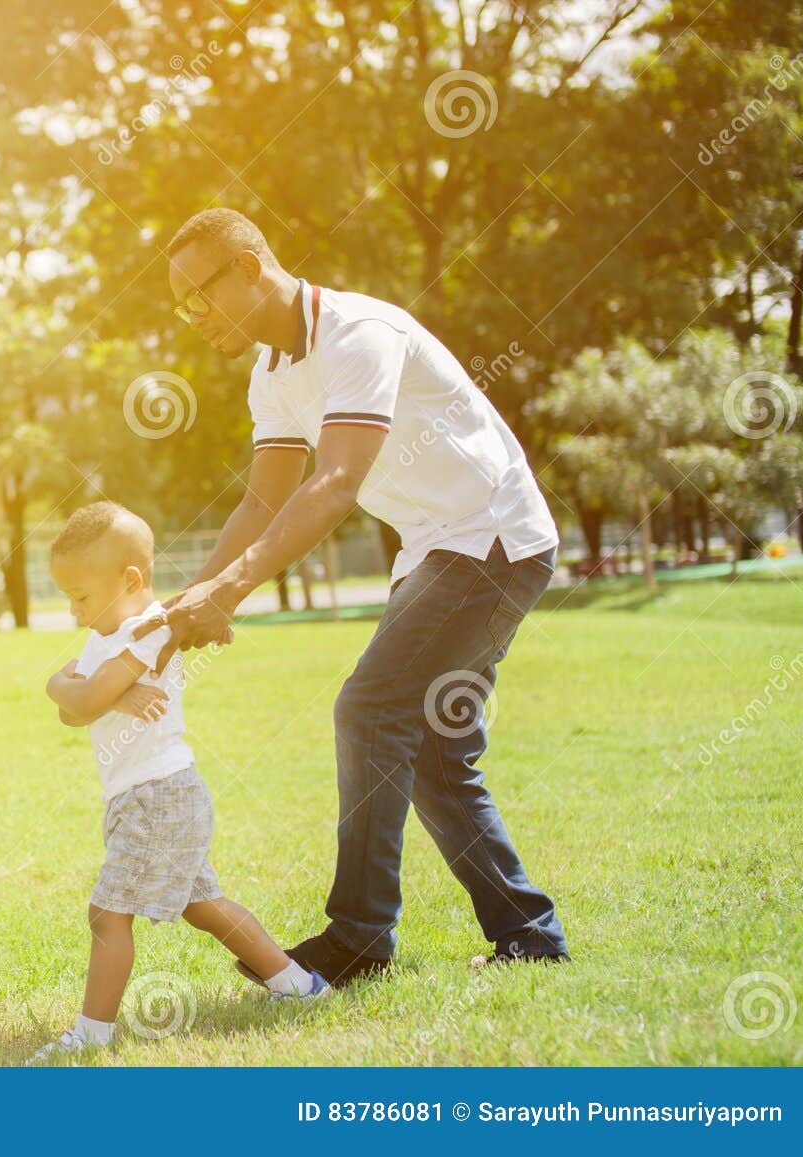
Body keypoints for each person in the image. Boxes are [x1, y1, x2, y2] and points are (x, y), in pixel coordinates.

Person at [142, 208, 568, 987]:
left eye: (199, 296)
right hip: (436, 543)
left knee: (371, 709)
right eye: (182, 306)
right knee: (436, 751)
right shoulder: (270, 370)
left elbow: (335, 483)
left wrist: (231, 591)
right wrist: (196, 595)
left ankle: (361, 936)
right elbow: (263, 501)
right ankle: (529, 936)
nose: (193, 319)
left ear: (247, 266)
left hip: (492, 537)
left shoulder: (358, 335)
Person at [31, 501, 327, 1063]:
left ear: (131, 580)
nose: (72, 610)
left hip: (158, 797)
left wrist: (75, 686)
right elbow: (73, 710)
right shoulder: (106, 637)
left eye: (80, 596)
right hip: (145, 797)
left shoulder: (147, 631)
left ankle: (90, 1036)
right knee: (204, 906)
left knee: (108, 913)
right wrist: (69, 686)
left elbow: (82, 697)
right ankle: (299, 988)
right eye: (67, 597)